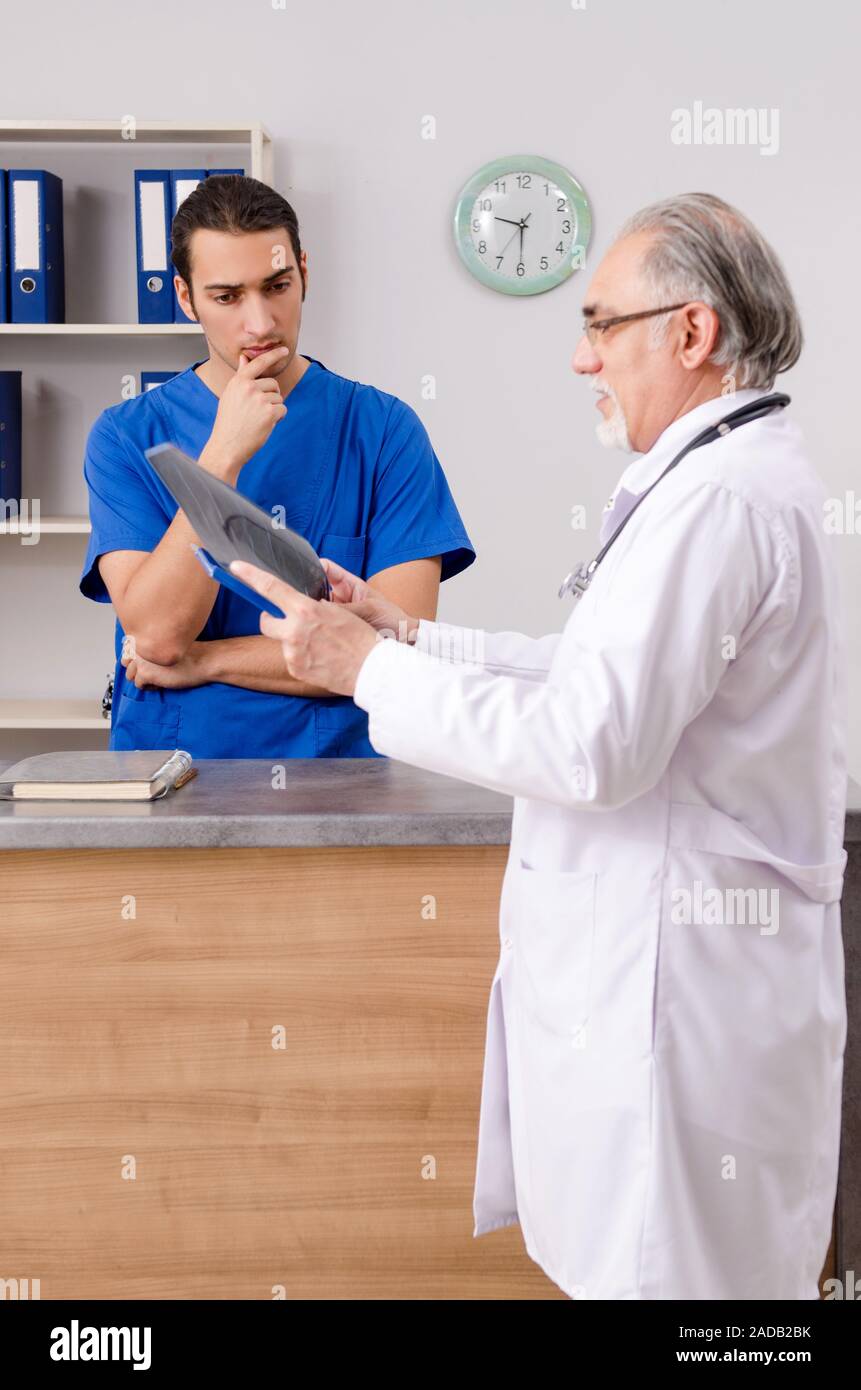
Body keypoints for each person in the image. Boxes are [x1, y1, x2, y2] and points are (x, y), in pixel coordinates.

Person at [229, 193, 848, 1300]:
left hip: (686, 1003)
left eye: (601, 324)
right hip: (662, 988)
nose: (580, 358)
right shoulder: (705, 484)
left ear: (692, 333)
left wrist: (362, 670)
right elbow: (586, 673)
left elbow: (588, 746)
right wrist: (406, 633)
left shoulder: (720, 504)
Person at [78, 175, 475, 757]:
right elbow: (158, 638)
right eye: (227, 296)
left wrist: (206, 660)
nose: (260, 323)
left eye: (277, 285)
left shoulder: (384, 430)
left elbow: (396, 644)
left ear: (304, 274)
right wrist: (220, 458)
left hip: (341, 779)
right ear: (186, 298)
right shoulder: (125, 437)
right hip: (171, 774)